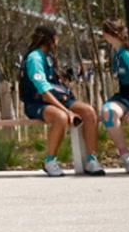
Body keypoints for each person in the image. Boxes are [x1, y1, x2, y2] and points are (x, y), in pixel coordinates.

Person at [20, 25, 107, 177]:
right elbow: (44, 91)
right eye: (56, 38)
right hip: (37, 102)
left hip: (57, 99)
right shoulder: (34, 58)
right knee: (60, 117)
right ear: (50, 39)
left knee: (89, 111)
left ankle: (92, 159)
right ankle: (50, 161)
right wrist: (68, 111)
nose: (58, 41)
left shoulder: (48, 56)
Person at [99, 20, 129, 173]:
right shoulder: (116, 53)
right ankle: (126, 155)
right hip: (125, 95)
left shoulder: (127, 55)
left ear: (109, 34)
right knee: (108, 112)